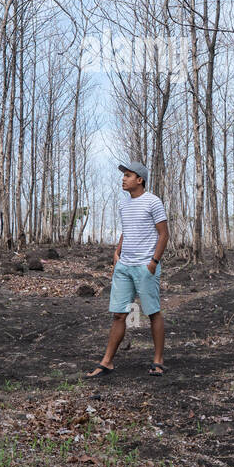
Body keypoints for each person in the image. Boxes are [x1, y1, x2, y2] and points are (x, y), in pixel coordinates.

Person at [86, 161, 168, 378]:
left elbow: (163, 234)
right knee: (119, 315)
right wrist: (117, 252)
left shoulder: (153, 202)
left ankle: (158, 361)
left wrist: (154, 262)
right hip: (124, 266)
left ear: (139, 180)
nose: (123, 179)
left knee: (152, 313)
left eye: (128, 175)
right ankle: (107, 362)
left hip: (145, 267)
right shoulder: (123, 205)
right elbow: (127, 230)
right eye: (124, 175)